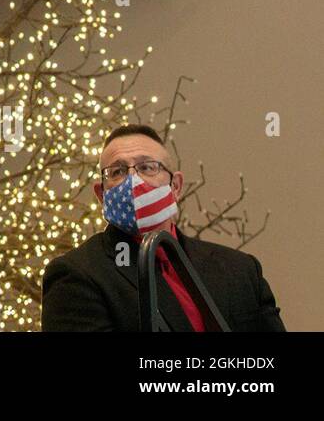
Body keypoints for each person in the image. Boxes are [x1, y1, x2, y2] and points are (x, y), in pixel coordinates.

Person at [42, 125, 286, 332]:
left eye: (147, 167)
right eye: (117, 172)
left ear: (176, 186)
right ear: (101, 194)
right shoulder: (77, 275)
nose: (133, 181)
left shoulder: (240, 269)